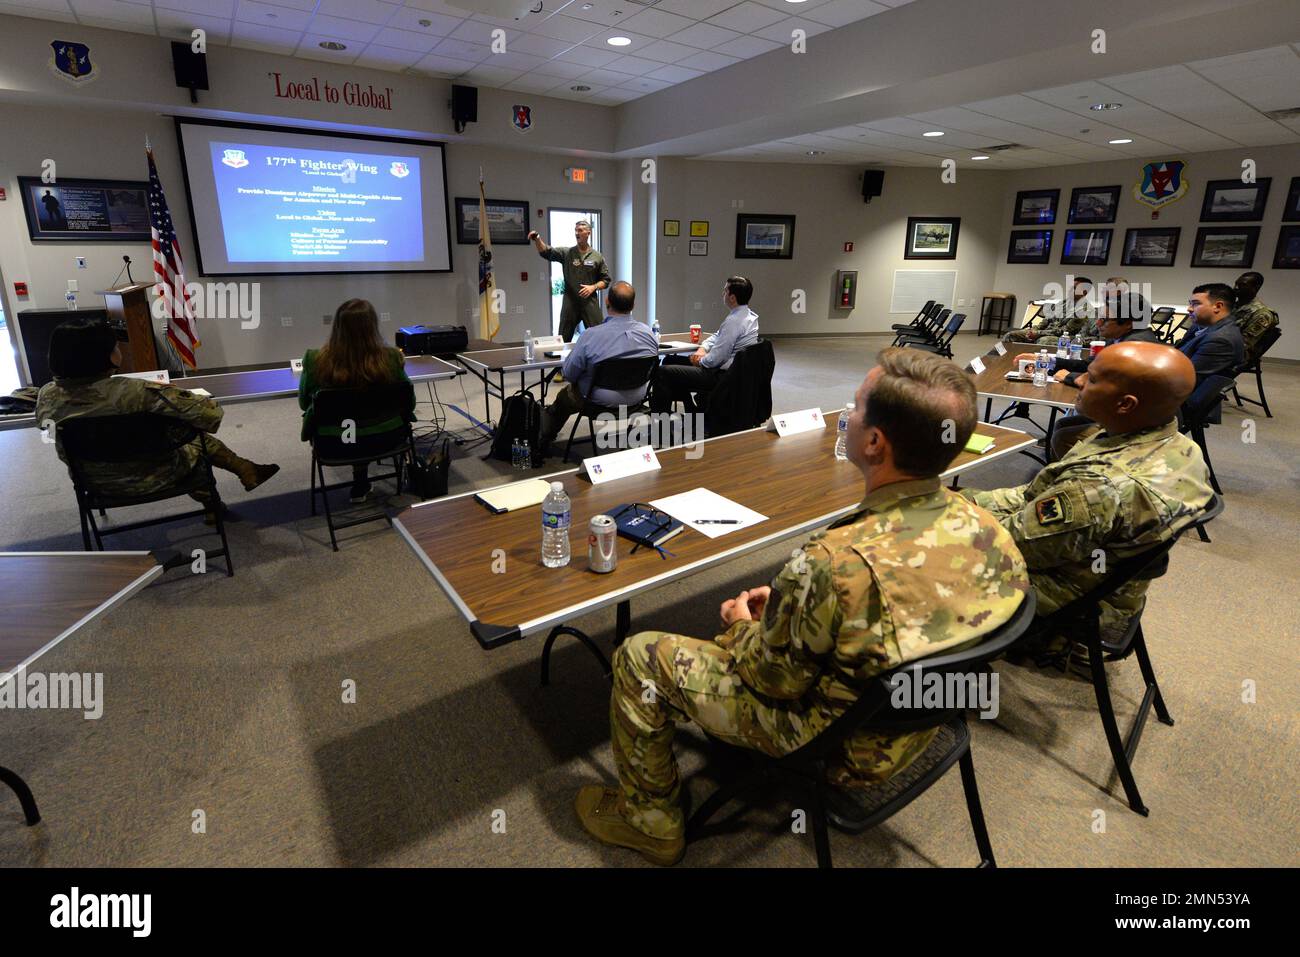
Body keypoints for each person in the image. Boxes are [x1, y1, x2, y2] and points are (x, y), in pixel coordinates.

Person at [575, 349, 1030, 865]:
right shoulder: (988, 526)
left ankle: (649, 823)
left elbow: (772, 681)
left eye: (854, 407)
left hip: (839, 743)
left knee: (639, 656)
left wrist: (742, 626)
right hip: (923, 726)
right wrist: (795, 609)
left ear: (874, 442)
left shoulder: (833, 562)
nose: (846, 415)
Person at [965, 342, 1212, 667]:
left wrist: (946, 522)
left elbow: (1013, 545)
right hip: (1100, 574)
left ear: (1126, 404)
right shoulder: (1173, 444)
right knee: (953, 504)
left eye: (1092, 380)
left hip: (1070, 594)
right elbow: (1033, 496)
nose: (1078, 382)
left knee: (918, 552)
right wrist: (963, 502)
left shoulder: (1100, 487)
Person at [35, 318, 279, 520]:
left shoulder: (46, 397)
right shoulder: (136, 391)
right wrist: (171, 396)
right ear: (106, 356)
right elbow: (210, 414)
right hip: (157, 475)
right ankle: (224, 493)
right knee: (195, 440)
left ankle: (242, 473)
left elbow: (52, 436)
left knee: (179, 435)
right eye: (115, 346)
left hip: (94, 483)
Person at [298, 299, 416, 503]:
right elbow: (409, 402)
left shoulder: (313, 359)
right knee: (363, 422)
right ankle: (361, 481)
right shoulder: (391, 358)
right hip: (388, 439)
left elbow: (303, 403)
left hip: (338, 442)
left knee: (352, 424)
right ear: (373, 326)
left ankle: (360, 483)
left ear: (337, 327)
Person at [537, 281, 658, 456]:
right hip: (637, 398)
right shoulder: (649, 334)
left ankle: (544, 439)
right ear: (633, 305)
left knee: (565, 396)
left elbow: (569, 374)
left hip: (597, 402)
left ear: (607, 301)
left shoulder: (590, 336)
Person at [649, 276, 759, 413]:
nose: (722, 294)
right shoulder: (748, 316)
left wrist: (699, 361)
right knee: (670, 360)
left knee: (662, 372)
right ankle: (691, 408)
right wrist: (703, 348)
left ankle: (660, 423)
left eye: (725, 291)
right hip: (733, 373)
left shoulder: (734, 321)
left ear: (732, 297)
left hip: (721, 375)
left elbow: (716, 359)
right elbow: (717, 336)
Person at [528, 220, 612, 342]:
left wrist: (593, 287)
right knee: (563, 338)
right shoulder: (567, 253)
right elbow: (546, 251)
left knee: (599, 337)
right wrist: (537, 239)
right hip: (570, 302)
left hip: (589, 302)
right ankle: (561, 361)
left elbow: (606, 281)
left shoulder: (597, 256)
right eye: (576, 230)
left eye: (581, 230)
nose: (577, 233)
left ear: (588, 233)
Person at [1180, 283, 1245, 384]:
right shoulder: (1202, 326)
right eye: (1190, 303)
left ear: (1218, 306)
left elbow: (1186, 379)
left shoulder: (1220, 340)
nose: (1189, 309)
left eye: (1196, 304)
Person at [1004, 275, 1094, 344]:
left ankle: (1035, 366)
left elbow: (1065, 331)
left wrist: (1038, 333)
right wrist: (1033, 330)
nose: (1070, 290)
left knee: (1043, 340)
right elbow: (1046, 320)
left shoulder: (1084, 310)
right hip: (1045, 332)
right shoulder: (1063, 303)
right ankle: (1002, 362)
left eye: (1074, 288)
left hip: (1067, 337)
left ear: (1085, 292)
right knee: (1011, 335)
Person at [1228, 271, 1278, 364]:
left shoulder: (1262, 314)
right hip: (1221, 345)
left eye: (1242, 285)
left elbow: (1244, 343)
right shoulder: (1232, 306)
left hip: (1237, 354)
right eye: (1236, 284)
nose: (1235, 288)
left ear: (1256, 287)